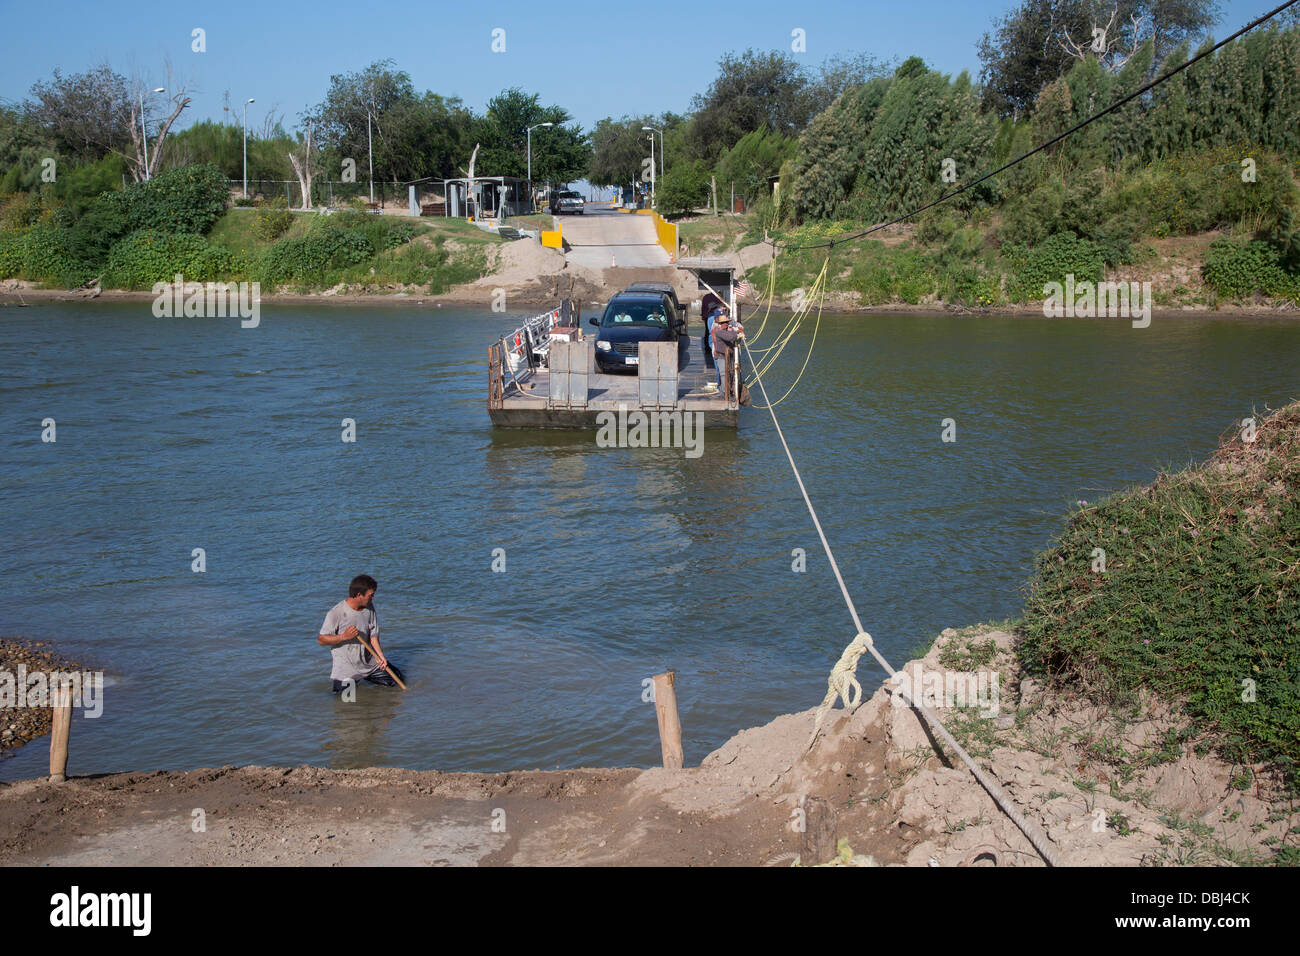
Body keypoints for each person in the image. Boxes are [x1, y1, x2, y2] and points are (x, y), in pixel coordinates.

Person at [318, 574, 404, 693]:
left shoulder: (369, 607)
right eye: (371, 595)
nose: (373, 598)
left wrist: (381, 656)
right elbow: (321, 640)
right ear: (359, 595)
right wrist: (344, 636)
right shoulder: (336, 613)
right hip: (347, 669)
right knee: (346, 704)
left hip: (369, 664)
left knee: (397, 679)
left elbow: (373, 636)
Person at [711, 310, 744, 392]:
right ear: (721, 324)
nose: (727, 323)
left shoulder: (727, 331)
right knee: (724, 376)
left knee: (730, 375)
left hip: (728, 356)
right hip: (722, 356)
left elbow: (731, 336)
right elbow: (731, 337)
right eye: (725, 322)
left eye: (727, 322)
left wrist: (735, 332)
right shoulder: (719, 332)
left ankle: (728, 392)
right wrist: (737, 332)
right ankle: (724, 393)